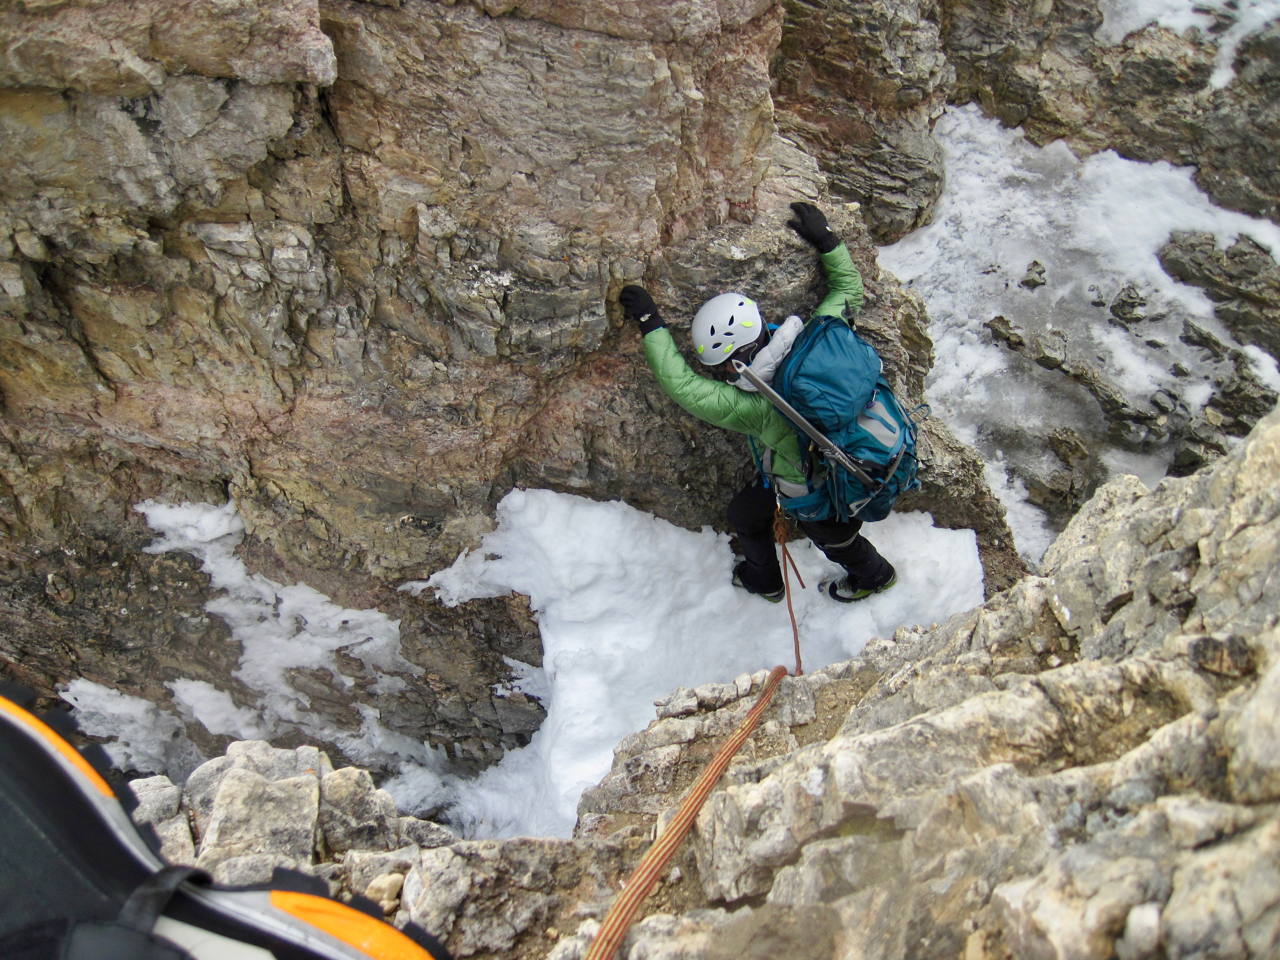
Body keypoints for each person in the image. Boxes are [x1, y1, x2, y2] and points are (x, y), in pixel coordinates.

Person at [618, 202, 896, 604]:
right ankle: (765, 580)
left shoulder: (757, 407)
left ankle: (877, 576)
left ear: (733, 363)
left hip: (818, 488)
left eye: (721, 367)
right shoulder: (820, 334)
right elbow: (848, 290)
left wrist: (651, 323)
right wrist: (826, 239)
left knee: (834, 538)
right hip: (859, 449)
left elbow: (683, 387)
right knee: (745, 514)